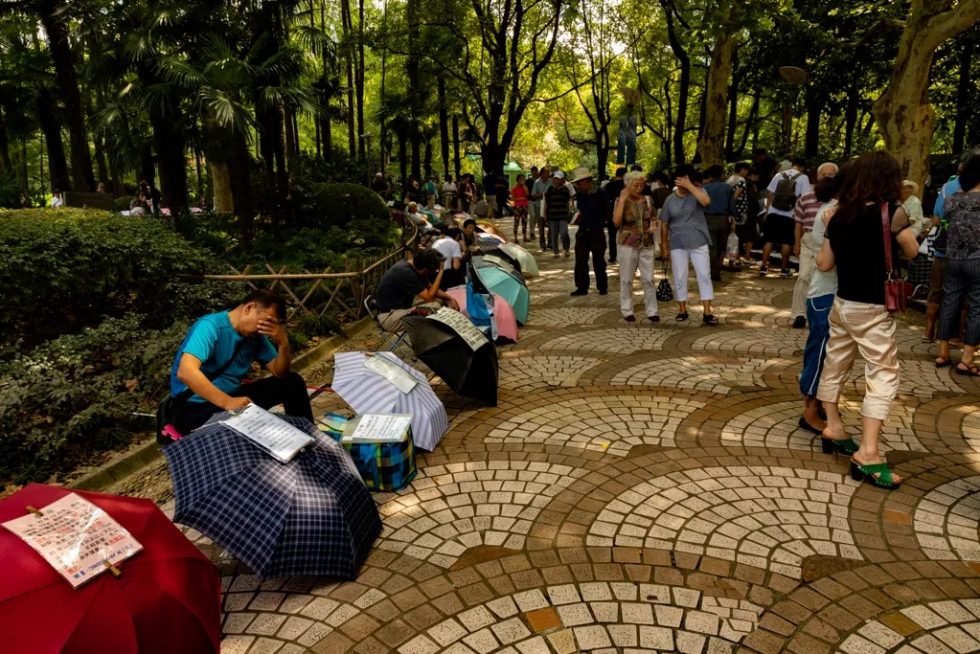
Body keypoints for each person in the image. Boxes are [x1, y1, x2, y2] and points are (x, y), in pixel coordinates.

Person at [815, 151, 919, 489]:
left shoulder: (837, 215)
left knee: (835, 363)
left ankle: (833, 426)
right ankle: (869, 453)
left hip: (842, 303)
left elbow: (824, 264)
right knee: (883, 374)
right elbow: (913, 251)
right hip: (873, 308)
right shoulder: (894, 213)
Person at [169, 290, 313, 435]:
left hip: (234, 396)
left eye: (272, 324)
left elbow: (280, 372)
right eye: (266, 321)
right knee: (241, 424)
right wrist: (228, 402)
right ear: (249, 308)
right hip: (194, 407)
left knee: (292, 382)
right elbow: (186, 372)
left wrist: (283, 344)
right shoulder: (210, 326)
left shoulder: (255, 336)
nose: (267, 328)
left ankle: (307, 439)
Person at [797, 172, 844, 436]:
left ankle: (820, 405)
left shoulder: (830, 210)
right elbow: (828, 260)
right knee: (820, 354)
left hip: (825, 293)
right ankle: (811, 410)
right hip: (825, 293)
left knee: (822, 352)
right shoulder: (832, 212)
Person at [934, 152, 980, 375]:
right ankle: (967, 358)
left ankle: (943, 352)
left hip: (953, 258)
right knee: (977, 307)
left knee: (949, 302)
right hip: (978, 260)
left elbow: (938, 219)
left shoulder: (953, 199)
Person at [659, 165, 718, 325]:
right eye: (679, 180)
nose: (681, 183)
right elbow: (664, 223)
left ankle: (707, 312)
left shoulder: (698, 192)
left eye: (685, 179)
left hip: (699, 241)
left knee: (704, 275)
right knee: (679, 276)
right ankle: (682, 309)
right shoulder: (670, 199)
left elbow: (706, 202)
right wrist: (664, 246)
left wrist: (690, 186)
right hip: (678, 242)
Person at [790, 162, 839, 329]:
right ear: (817, 176)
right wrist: (796, 244)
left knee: (824, 279)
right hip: (808, 239)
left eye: (831, 175)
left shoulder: (840, 201)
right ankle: (799, 314)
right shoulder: (805, 198)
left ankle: (822, 312)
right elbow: (798, 223)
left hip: (830, 242)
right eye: (824, 174)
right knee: (804, 276)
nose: (827, 177)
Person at [375, 249, 459, 332]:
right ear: (425, 270)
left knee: (440, 300)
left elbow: (431, 289)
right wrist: (441, 271)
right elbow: (430, 298)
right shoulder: (405, 272)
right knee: (434, 307)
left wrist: (450, 298)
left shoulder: (413, 267)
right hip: (388, 317)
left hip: (400, 310)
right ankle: (433, 341)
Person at [614, 170, 660, 322]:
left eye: (642, 183)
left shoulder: (648, 200)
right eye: (635, 184)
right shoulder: (620, 200)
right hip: (627, 243)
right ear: (627, 185)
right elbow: (616, 222)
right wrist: (622, 199)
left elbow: (653, 217)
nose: (639, 186)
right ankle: (627, 310)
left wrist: (653, 225)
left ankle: (652, 311)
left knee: (649, 279)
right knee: (626, 279)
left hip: (647, 243)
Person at [760, 157, 811, 277]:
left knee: (769, 239)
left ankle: (763, 267)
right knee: (786, 241)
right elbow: (804, 198)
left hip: (773, 211)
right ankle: (784, 269)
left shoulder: (779, 175)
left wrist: (767, 210)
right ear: (803, 167)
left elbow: (770, 193)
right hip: (790, 213)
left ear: (792, 164)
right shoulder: (803, 178)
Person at [569, 167, 609, 296]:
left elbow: (606, 211)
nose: (578, 186)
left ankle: (602, 286)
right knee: (580, 260)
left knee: (599, 261)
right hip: (583, 231)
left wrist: (600, 224)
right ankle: (582, 287)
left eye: (579, 183)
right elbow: (581, 210)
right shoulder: (580, 194)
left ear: (586, 181)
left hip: (597, 230)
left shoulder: (601, 193)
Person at [702, 164, 738, 282]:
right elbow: (732, 205)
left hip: (707, 219)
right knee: (721, 246)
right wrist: (733, 220)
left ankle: (713, 271)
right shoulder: (728, 188)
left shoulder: (705, 188)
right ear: (721, 174)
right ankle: (715, 268)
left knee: (711, 247)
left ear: (710, 175)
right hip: (723, 219)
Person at [727, 163, 752, 265]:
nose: (747, 172)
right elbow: (735, 196)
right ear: (742, 170)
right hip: (738, 212)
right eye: (746, 170)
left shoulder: (730, 179)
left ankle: (733, 259)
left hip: (730, 211)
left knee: (733, 235)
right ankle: (734, 259)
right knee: (738, 236)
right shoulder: (741, 180)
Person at [543, 170, 572, 257]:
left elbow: (567, 202)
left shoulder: (565, 190)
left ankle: (566, 249)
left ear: (562, 180)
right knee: (554, 235)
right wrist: (544, 214)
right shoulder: (550, 190)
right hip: (552, 216)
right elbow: (546, 203)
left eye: (558, 179)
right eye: (554, 178)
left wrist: (568, 213)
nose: (555, 180)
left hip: (562, 215)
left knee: (564, 233)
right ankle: (556, 252)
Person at [605, 167, 627, 264]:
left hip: (611, 214)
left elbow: (604, 201)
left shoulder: (608, 186)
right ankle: (625, 256)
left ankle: (612, 256)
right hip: (625, 214)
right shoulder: (627, 186)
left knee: (612, 236)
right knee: (626, 234)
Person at [531, 167, 552, 252]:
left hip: (549, 206)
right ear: (542, 173)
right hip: (539, 206)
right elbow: (533, 195)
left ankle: (550, 243)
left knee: (551, 225)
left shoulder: (551, 182)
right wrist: (543, 194)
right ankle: (542, 243)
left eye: (548, 172)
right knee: (541, 226)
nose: (547, 174)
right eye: (546, 172)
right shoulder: (536, 182)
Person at [511, 174, 530, 241]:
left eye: (523, 179)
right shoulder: (514, 188)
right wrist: (521, 198)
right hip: (517, 207)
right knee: (516, 222)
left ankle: (525, 237)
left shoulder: (525, 187)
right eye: (521, 179)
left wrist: (525, 189)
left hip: (525, 206)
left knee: (524, 221)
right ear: (518, 180)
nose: (522, 180)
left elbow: (528, 195)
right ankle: (515, 238)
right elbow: (512, 199)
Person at [526, 167, 538, 240]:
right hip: (530, 201)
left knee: (536, 217)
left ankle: (533, 230)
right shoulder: (528, 181)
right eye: (533, 171)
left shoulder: (540, 180)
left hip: (539, 201)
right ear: (531, 172)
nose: (535, 172)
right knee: (532, 216)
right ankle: (532, 232)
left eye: (536, 171)